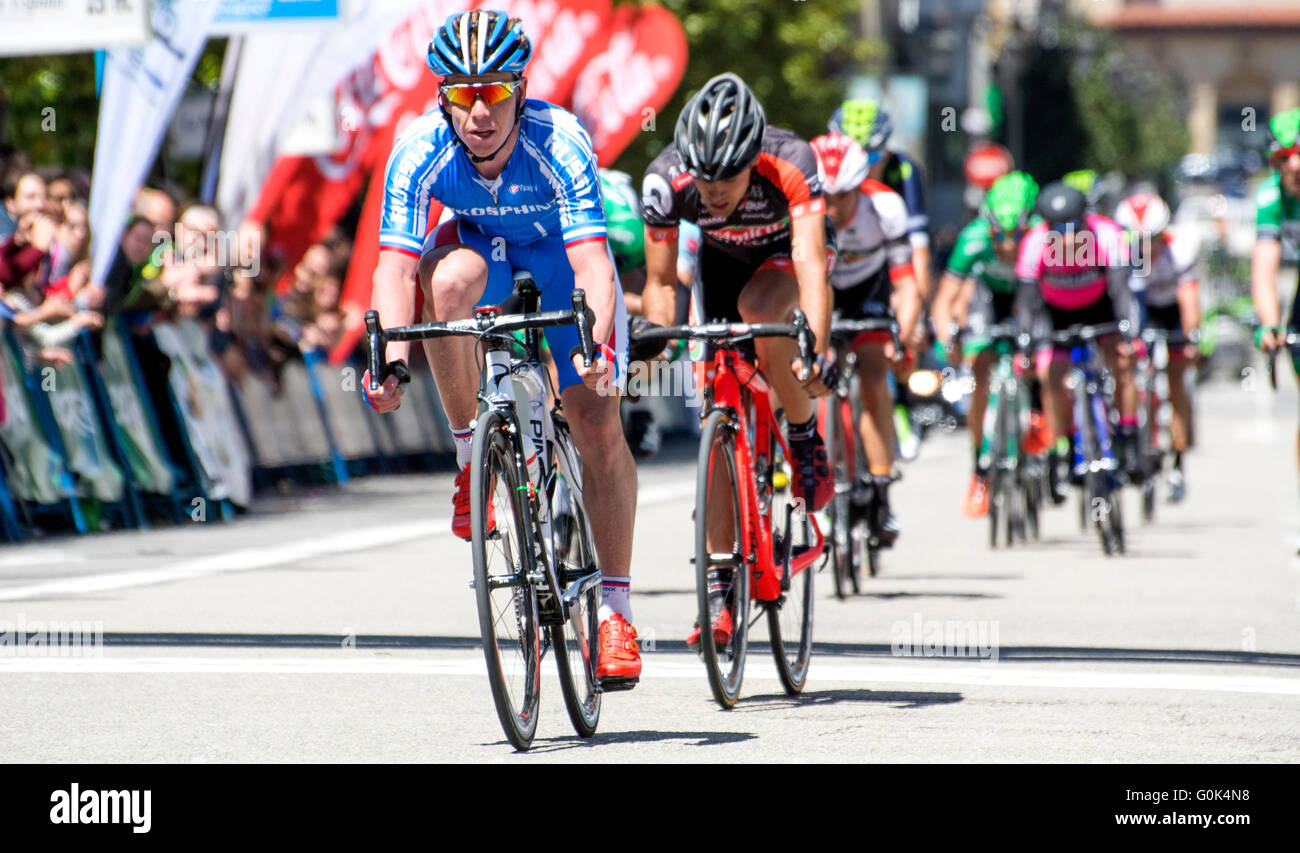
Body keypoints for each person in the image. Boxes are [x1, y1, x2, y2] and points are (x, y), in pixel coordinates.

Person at [366, 9, 640, 687]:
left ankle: (615, 610)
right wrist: (390, 359)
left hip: (557, 260)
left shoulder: (560, 140)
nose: (478, 110)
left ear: (520, 89)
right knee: (447, 280)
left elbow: (593, 267)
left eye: (492, 91)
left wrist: (596, 347)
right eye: (461, 94)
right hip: (481, 253)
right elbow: (395, 269)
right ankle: (471, 460)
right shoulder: (418, 147)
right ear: (442, 99)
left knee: (598, 421)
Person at [639, 72, 835, 650]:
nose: (714, 189)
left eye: (727, 176)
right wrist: (661, 341)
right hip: (718, 270)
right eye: (704, 177)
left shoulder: (793, 160)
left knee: (761, 311)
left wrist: (812, 351)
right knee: (713, 415)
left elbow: (813, 265)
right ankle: (721, 581)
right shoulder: (663, 180)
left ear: (753, 156)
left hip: (781, 264)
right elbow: (658, 283)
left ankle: (802, 437)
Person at [809, 131, 921, 544]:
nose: (834, 208)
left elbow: (906, 285)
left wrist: (903, 337)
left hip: (869, 294)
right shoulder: (800, 207)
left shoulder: (886, 208)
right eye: (826, 196)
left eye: (843, 197)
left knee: (874, 373)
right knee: (811, 372)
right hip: (819, 289)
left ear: (860, 187)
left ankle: (880, 488)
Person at [934, 171, 1047, 517]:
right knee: (979, 365)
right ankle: (979, 468)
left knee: (1041, 356)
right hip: (990, 300)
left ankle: (1040, 416)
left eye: (1017, 236)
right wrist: (948, 341)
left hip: (1032, 298)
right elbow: (944, 301)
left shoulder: (1045, 237)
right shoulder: (974, 238)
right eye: (1000, 236)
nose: (1009, 246)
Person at [1016, 181, 1137, 503]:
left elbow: (1121, 291)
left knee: (1123, 362)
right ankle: (1068, 448)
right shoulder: (1035, 242)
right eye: (1057, 228)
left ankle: (1128, 435)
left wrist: (1128, 334)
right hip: (1058, 312)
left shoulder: (1107, 234)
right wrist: (1026, 344)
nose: (1067, 236)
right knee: (1052, 376)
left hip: (1101, 306)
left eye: (1073, 226)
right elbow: (1026, 302)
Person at [830, 97, 930, 459]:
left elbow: (917, 253)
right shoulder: (824, 176)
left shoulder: (904, 173)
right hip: (836, 276)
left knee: (888, 352)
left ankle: (900, 403)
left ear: (887, 150)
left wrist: (915, 316)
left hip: (884, 267)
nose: (861, 165)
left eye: (872, 156)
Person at [1114, 190, 1200, 502]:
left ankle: (1178, 460)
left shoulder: (1180, 249)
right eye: (1139, 240)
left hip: (1172, 310)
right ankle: (1134, 435)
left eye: (1151, 239)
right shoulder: (1123, 252)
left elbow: (1189, 298)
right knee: (1128, 368)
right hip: (1143, 311)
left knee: (1177, 377)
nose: (1146, 247)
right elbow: (1122, 301)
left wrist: (1190, 337)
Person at [1250, 107, 1300, 547]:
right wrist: (1269, 323)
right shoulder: (1270, 198)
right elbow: (1265, 269)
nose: (1295, 166)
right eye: (1285, 158)